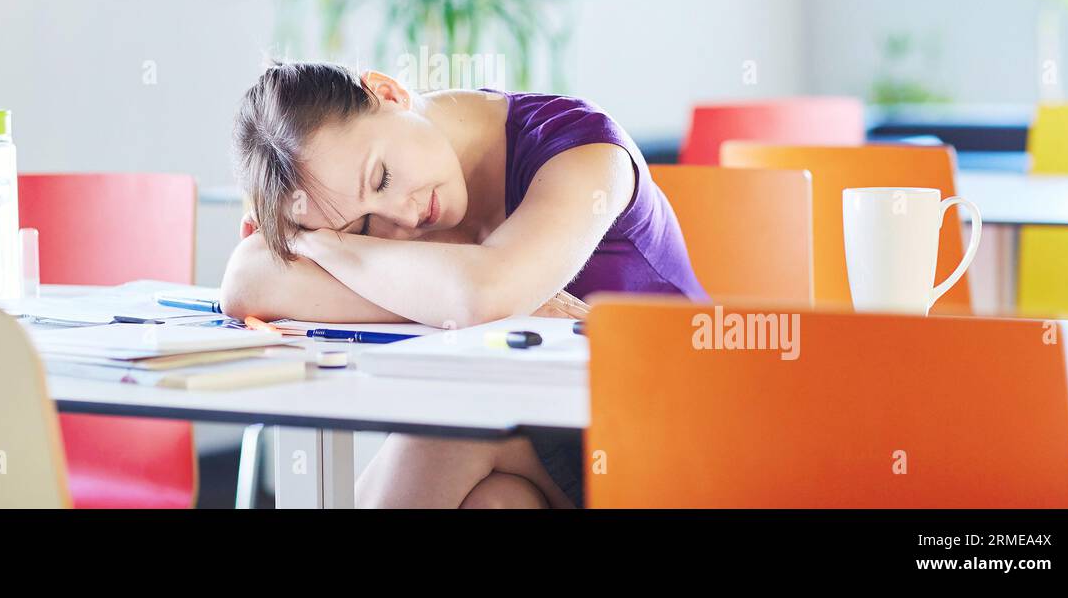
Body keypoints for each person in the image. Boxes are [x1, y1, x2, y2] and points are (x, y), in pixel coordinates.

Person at [222, 60, 706, 507]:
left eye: (383, 177)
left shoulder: (585, 150)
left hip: (686, 438)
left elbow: (481, 295)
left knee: (453, 426)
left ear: (388, 93)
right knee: (496, 502)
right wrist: (462, 295)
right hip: (557, 438)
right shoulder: (411, 209)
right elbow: (245, 279)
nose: (402, 218)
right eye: (363, 229)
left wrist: (329, 247)